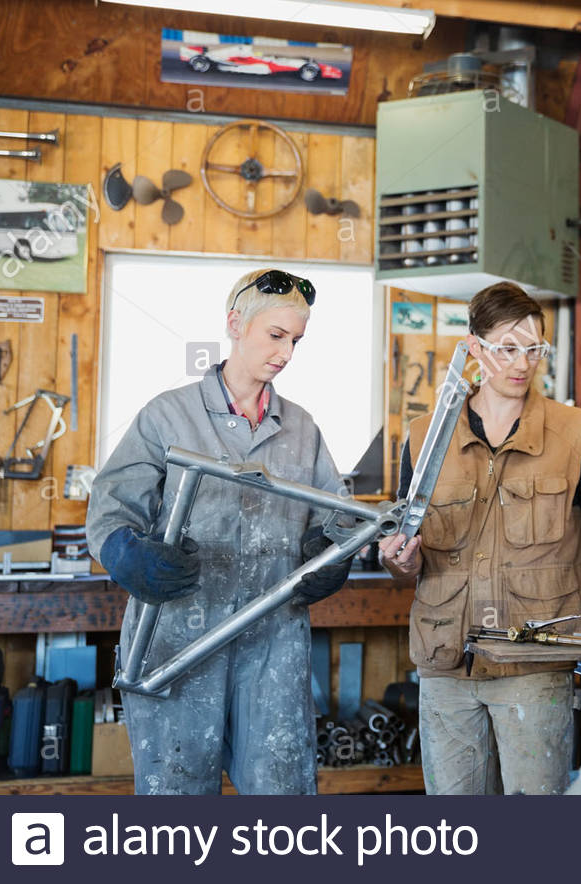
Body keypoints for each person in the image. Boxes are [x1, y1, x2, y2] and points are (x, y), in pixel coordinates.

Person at [378, 281, 581, 795]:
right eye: (507, 348)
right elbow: (405, 549)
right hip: (446, 663)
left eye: (534, 349)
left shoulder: (576, 431)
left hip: (534, 661)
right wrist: (401, 560)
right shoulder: (424, 434)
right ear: (474, 347)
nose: (522, 363)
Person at [87, 268, 349, 795]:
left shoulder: (302, 428)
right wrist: (127, 554)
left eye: (296, 341)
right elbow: (111, 509)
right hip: (177, 641)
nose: (286, 353)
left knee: (283, 807)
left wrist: (330, 557)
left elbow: (337, 519)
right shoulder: (167, 416)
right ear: (235, 323)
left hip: (272, 648)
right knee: (176, 806)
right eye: (276, 336)